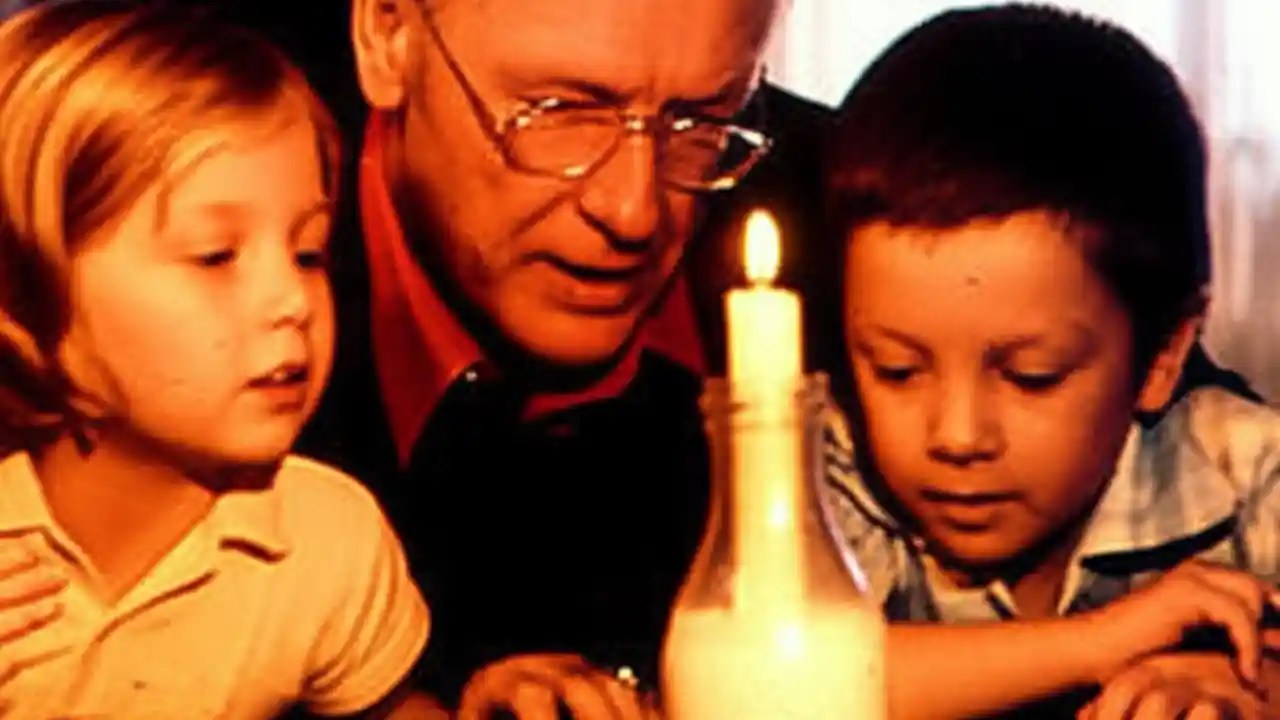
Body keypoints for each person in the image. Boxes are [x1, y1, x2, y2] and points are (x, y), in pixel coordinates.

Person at [293, 0, 836, 717]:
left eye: (701, 119)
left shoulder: (857, 234)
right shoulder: (196, 252)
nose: (634, 210)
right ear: (388, 34)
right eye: (560, 111)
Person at [819, 5, 1280, 717]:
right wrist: (1100, 643)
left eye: (1031, 377)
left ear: (1161, 355)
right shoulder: (823, 473)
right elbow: (788, 682)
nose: (957, 436)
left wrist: (1257, 688)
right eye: (896, 370)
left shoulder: (1250, 473)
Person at [0, 2, 442, 717]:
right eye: (216, 257)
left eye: (308, 253)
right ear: (26, 295)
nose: (292, 300)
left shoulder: (329, 540)